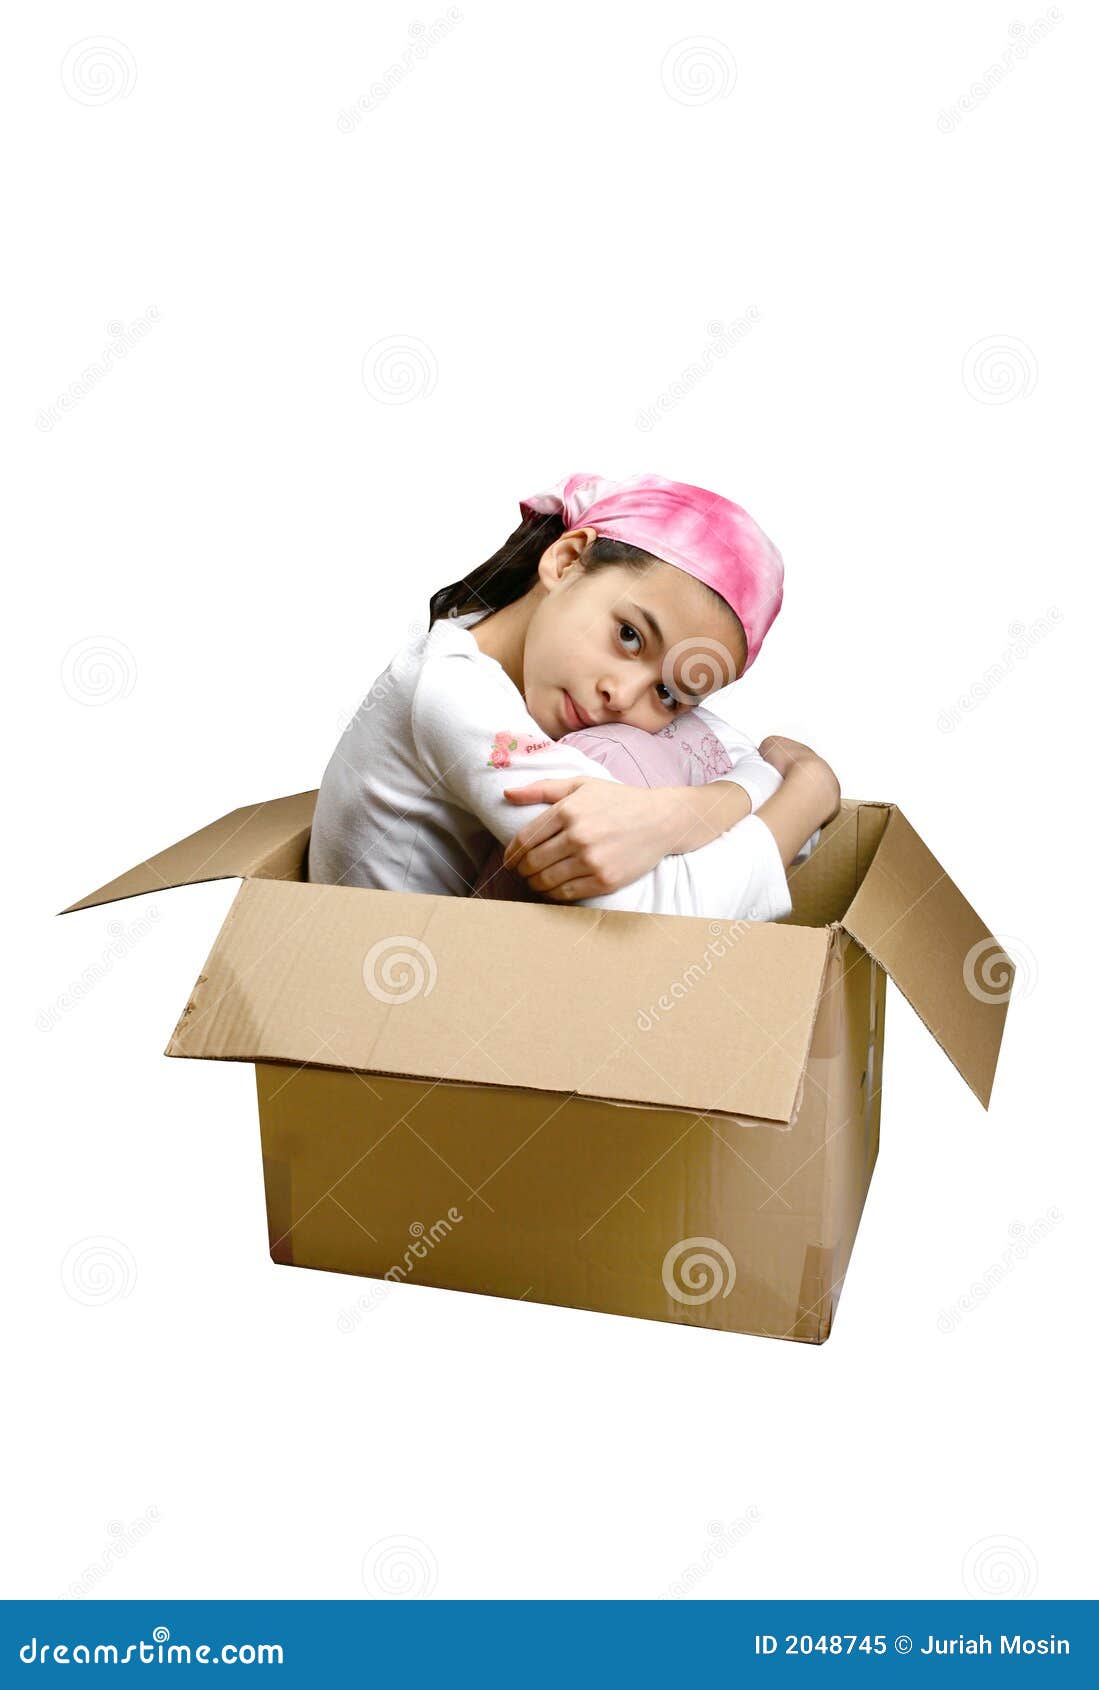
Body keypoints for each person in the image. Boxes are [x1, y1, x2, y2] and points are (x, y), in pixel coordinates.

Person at [307, 471, 839, 922]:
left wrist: (675, 814)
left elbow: (737, 761)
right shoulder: (453, 691)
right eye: (629, 635)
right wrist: (808, 788)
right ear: (566, 560)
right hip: (390, 1020)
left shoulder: (531, 656)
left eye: (669, 692)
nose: (621, 694)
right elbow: (660, 917)